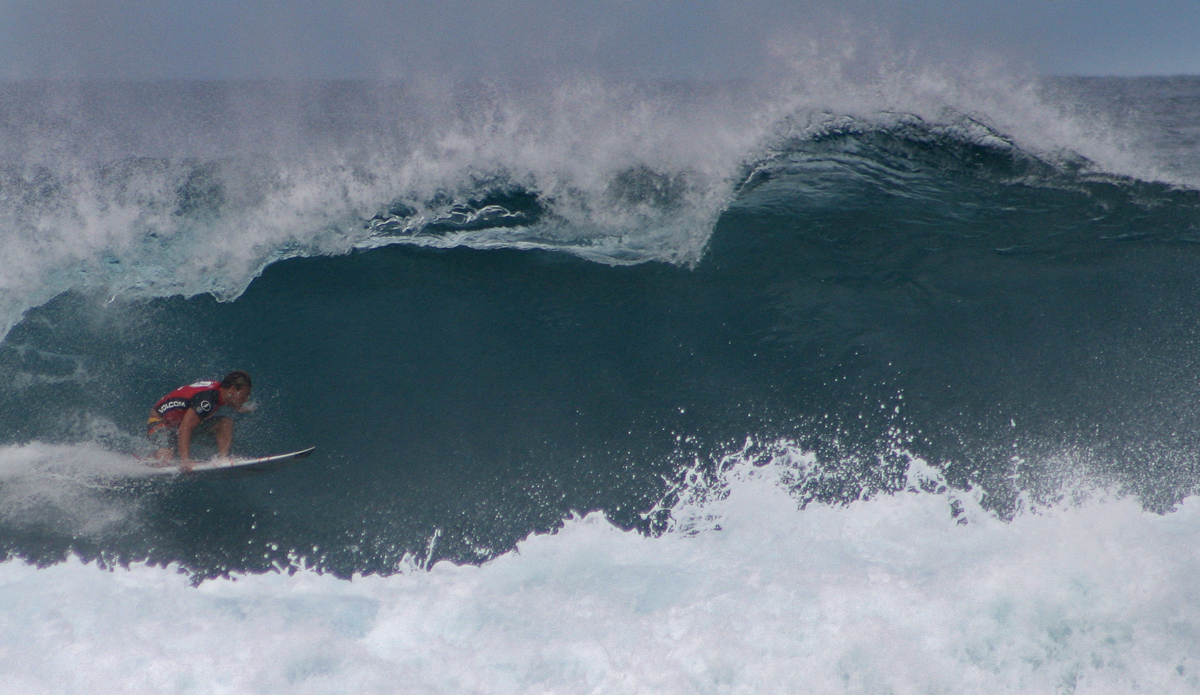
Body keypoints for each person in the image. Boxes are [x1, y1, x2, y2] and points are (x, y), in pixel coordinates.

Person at [147, 371, 254, 470]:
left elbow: (229, 401)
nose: (246, 399)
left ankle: (223, 459)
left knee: (225, 423)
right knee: (165, 457)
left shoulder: (220, 391)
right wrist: (185, 461)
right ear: (232, 389)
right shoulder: (207, 400)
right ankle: (149, 459)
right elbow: (185, 428)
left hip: (176, 426)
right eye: (245, 395)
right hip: (159, 422)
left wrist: (239, 407)